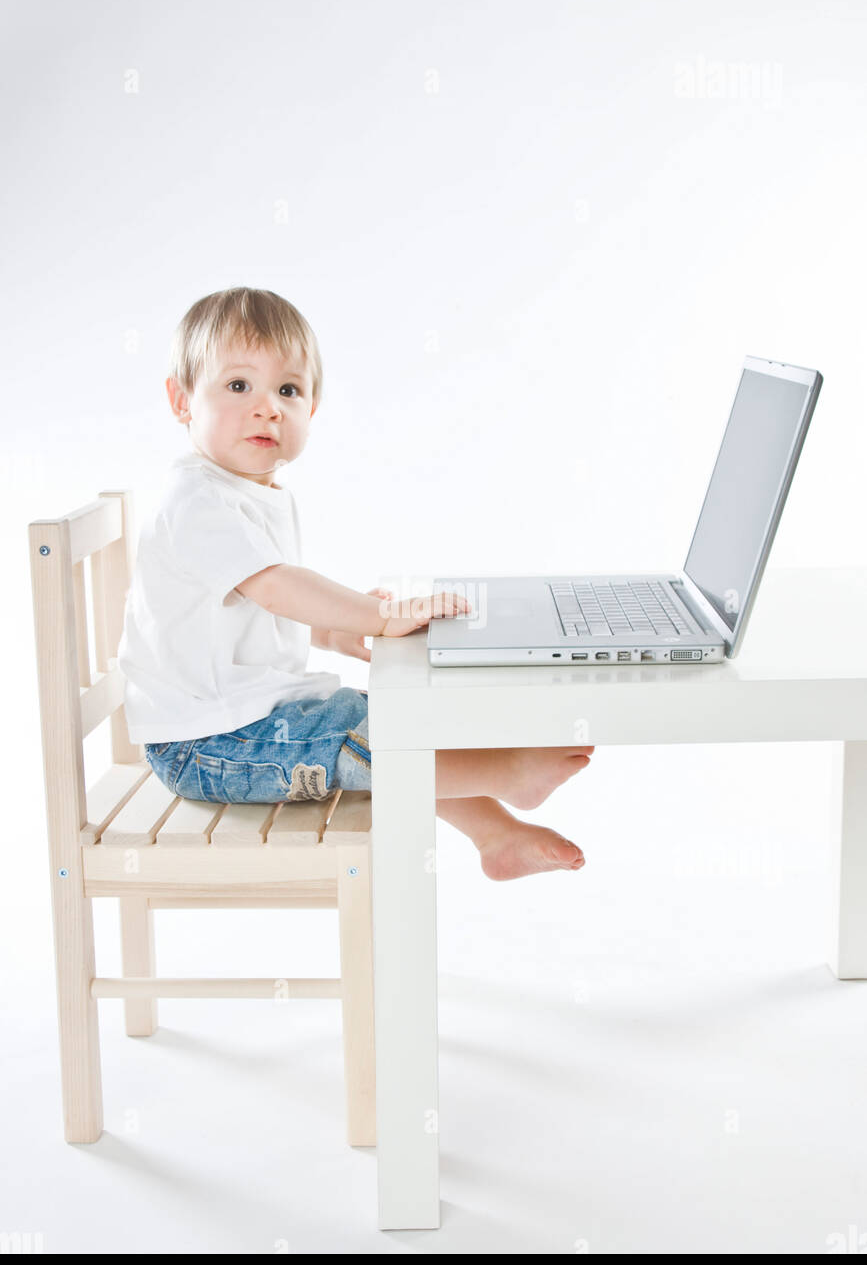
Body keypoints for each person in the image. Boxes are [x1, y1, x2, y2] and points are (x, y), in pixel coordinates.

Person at [118, 287, 594, 881]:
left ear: (311, 410)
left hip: (248, 720)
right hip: (207, 745)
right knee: (359, 739)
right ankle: (507, 772)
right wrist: (373, 620)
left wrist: (328, 631)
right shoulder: (196, 500)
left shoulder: (255, 493)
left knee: (382, 719)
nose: (267, 407)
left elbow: (249, 603)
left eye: (288, 390)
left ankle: (494, 834)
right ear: (182, 399)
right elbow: (273, 585)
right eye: (238, 386)